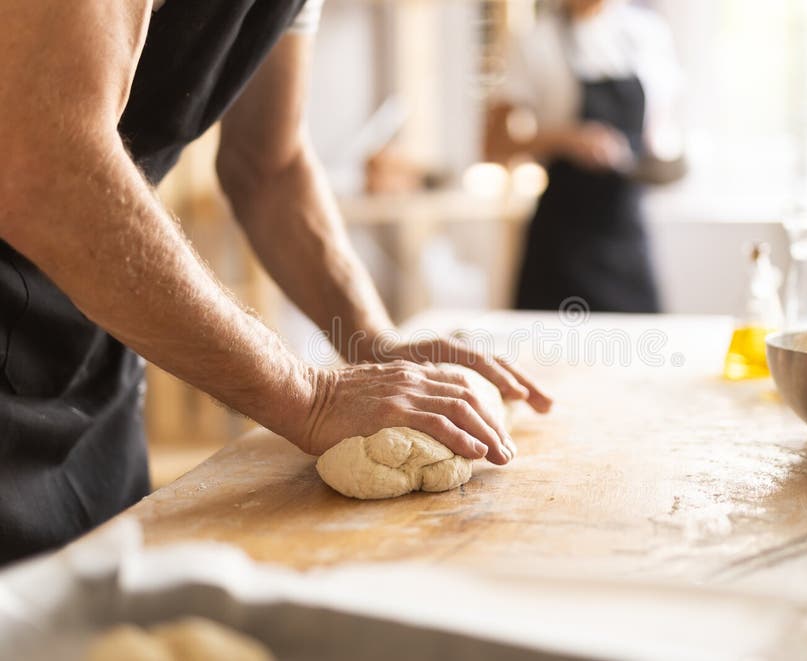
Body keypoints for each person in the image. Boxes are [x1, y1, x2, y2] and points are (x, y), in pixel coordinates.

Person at [0, 0, 552, 565]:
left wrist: (371, 340)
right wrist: (309, 398)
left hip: (89, 337)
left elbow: (271, 165)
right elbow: (45, 159)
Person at [485, 0, 683, 313]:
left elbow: (660, 129)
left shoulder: (647, 34)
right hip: (561, 233)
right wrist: (566, 139)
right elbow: (493, 144)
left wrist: (662, 155)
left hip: (626, 226)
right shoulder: (534, 40)